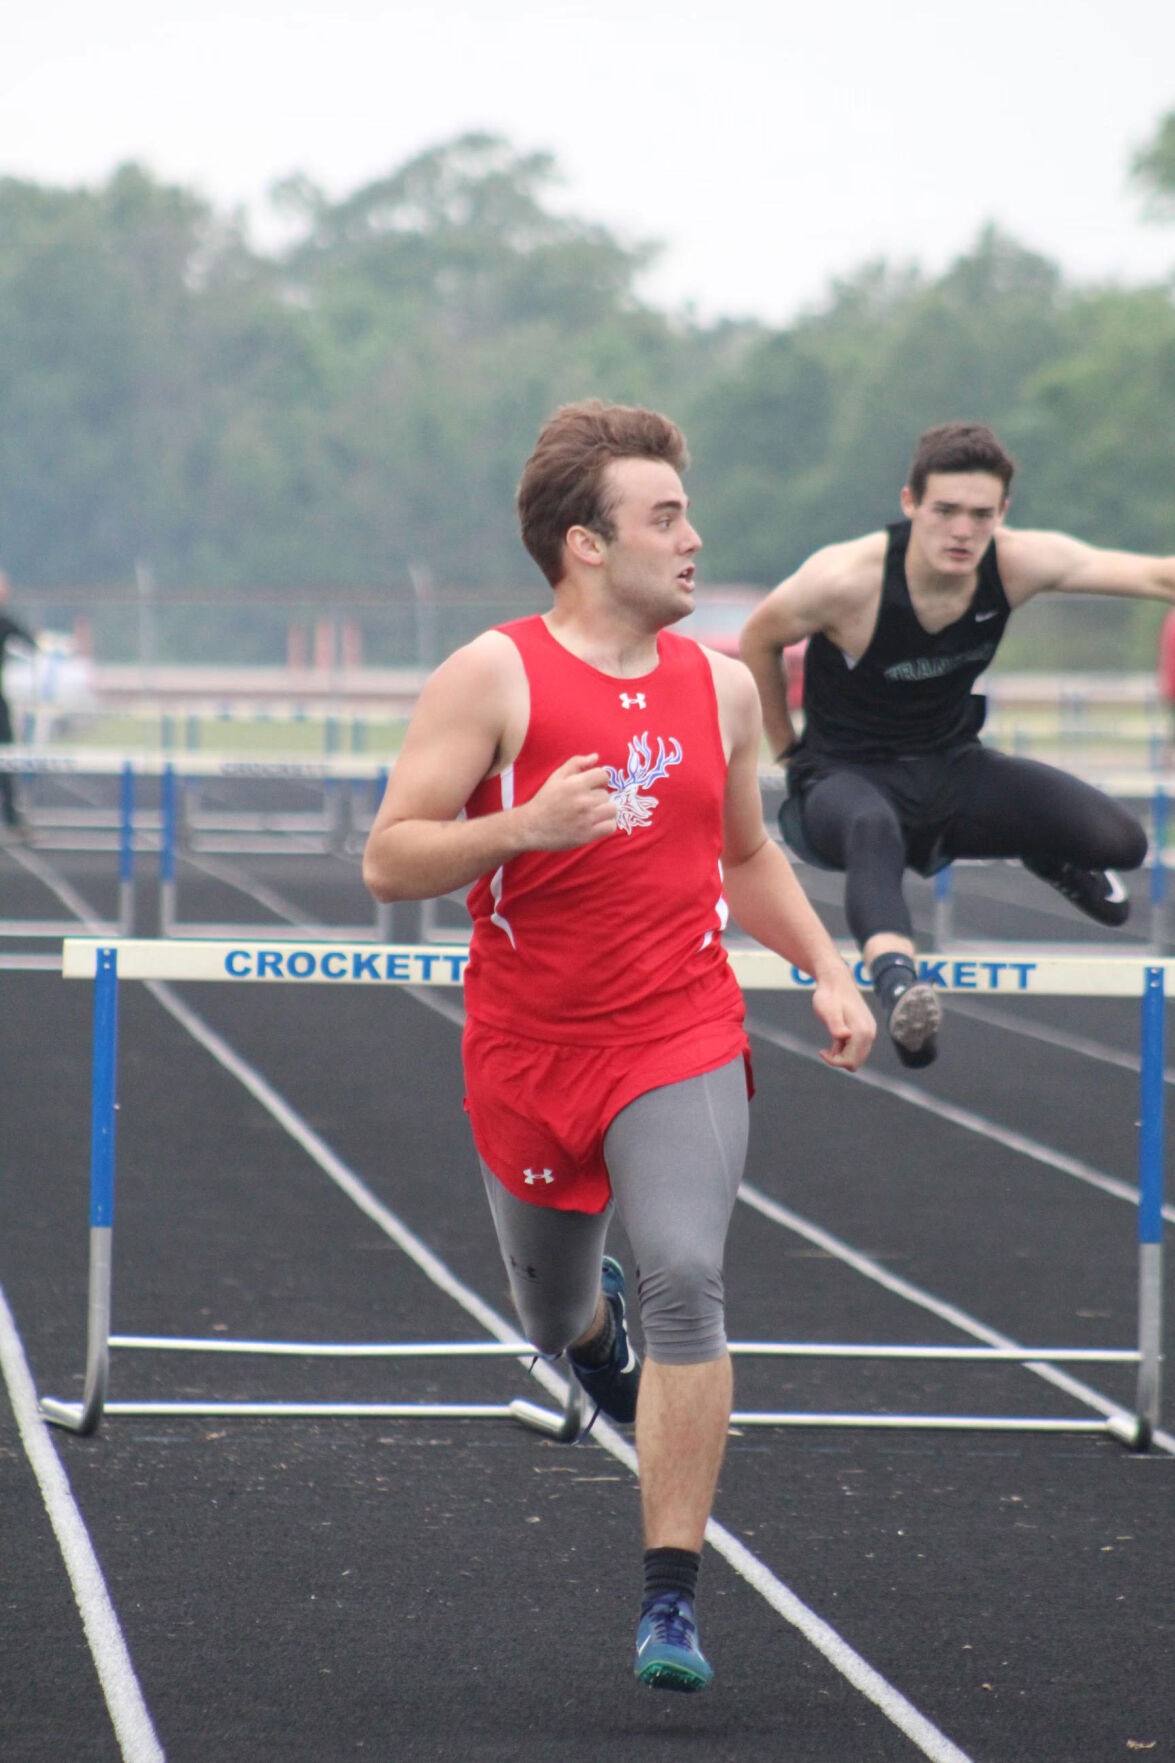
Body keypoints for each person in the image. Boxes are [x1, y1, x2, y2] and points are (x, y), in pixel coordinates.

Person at [363, 400, 875, 1692]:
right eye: (663, 518)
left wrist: (822, 967)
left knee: (686, 1277)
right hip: (530, 1047)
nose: (693, 539)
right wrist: (518, 827)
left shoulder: (718, 687)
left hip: (677, 1027)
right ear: (585, 545)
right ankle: (587, 1349)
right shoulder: (494, 675)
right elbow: (388, 857)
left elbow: (744, 855)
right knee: (551, 1306)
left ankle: (669, 1601)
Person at [740, 420, 1175, 1070]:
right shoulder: (845, 579)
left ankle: (1040, 849)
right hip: (842, 781)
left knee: (1121, 842)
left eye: (979, 514)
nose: (961, 531)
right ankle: (900, 988)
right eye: (944, 511)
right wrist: (785, 750)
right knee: (872, 827)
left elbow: (1154, 576)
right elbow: (757, 639)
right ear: (910, 503)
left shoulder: (1018, 562)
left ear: (1001, 513)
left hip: (951, 769)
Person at [0, 572, 35, 837]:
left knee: (7, 760)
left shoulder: (5, 622)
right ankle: (11, 818)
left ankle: (11, 817)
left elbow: (31, 643)